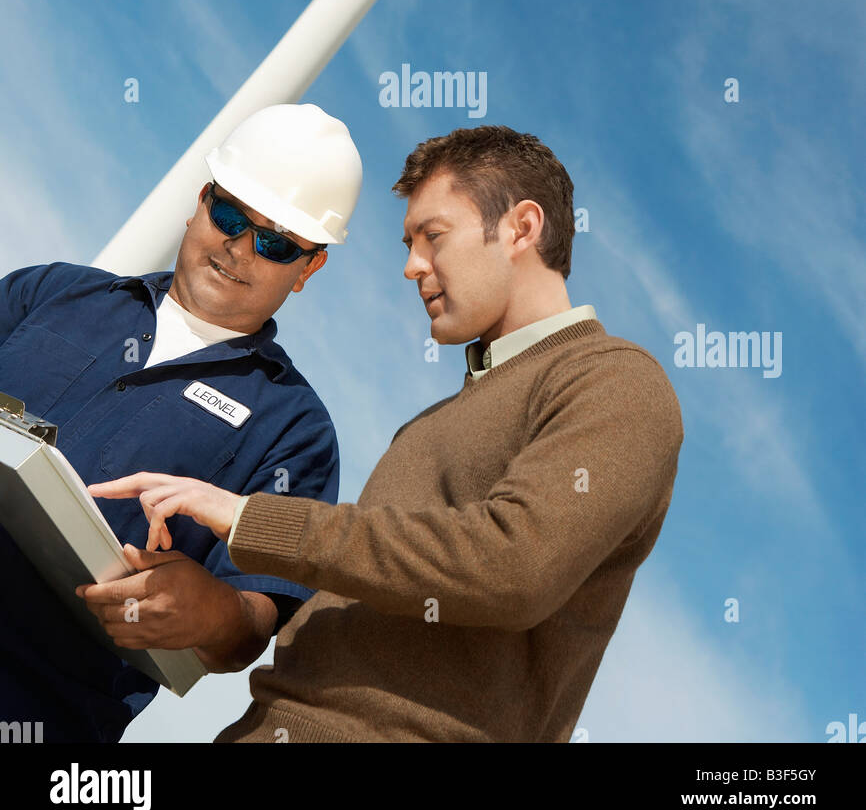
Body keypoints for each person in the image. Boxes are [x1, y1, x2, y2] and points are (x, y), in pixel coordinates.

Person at [95, 125, 683, 744]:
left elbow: (515, 566)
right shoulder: (426, 425)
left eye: (433, 237)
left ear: (522, 228)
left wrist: (250, 519)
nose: (411, 267)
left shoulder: (615, 381)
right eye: (409, 243)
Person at [0, 102, 362, 742]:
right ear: (200, 200)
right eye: (230, 215)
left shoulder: (295, 430)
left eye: (277, 243)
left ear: (309, 268)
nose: (240, 248)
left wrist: (209, 612)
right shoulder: (53, 292)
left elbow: (248, 627)